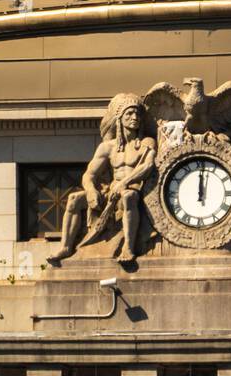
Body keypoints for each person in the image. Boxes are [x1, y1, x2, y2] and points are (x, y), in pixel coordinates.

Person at [50, 93, 156, 265]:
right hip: (111, 193)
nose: (134, 117)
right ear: (119, 118)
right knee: (74, 199)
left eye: (137, 114)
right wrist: (91, 190)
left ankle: (128, 248)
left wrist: (124, 183)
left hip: (135, 190)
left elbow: (147, 166)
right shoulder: (107, 147)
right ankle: (66, 246)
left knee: (128, 196)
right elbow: (89, 174)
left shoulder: (147, 142)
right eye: (129, 113)